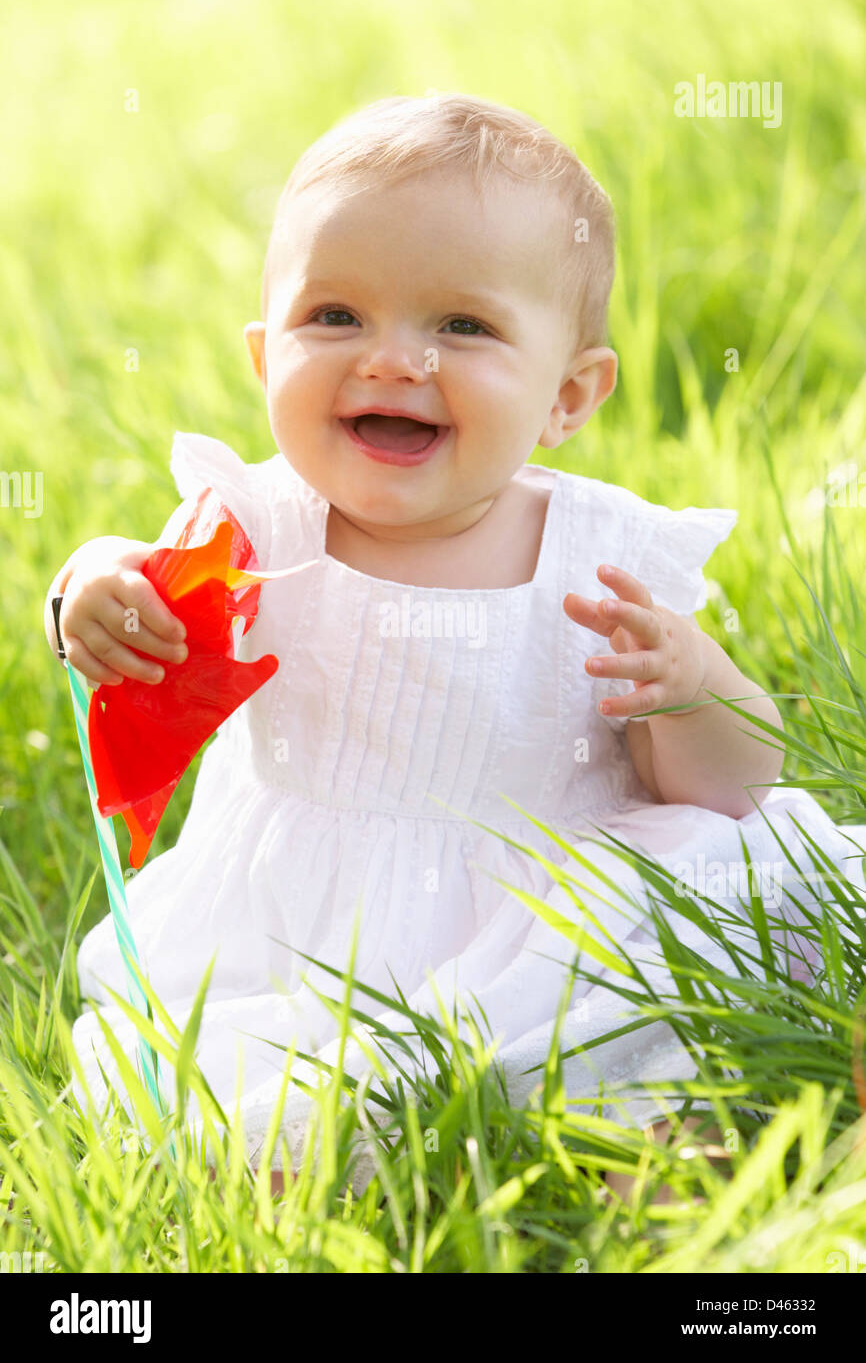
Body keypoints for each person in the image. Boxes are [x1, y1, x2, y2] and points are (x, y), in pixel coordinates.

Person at [44, 93, 864, 1204]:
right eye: (333, 316)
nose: (392, 360)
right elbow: (138, 567)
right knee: (267, 1103)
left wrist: (683, 686)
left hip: (550, 911)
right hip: (308, 927)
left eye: (461, 327)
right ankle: (356, 1163)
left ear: (567, 396)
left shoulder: (601, 558)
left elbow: (734, 786)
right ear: (262, 353)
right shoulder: (260, 523)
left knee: (669, 972)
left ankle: (656, 1142)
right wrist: (89, 590)